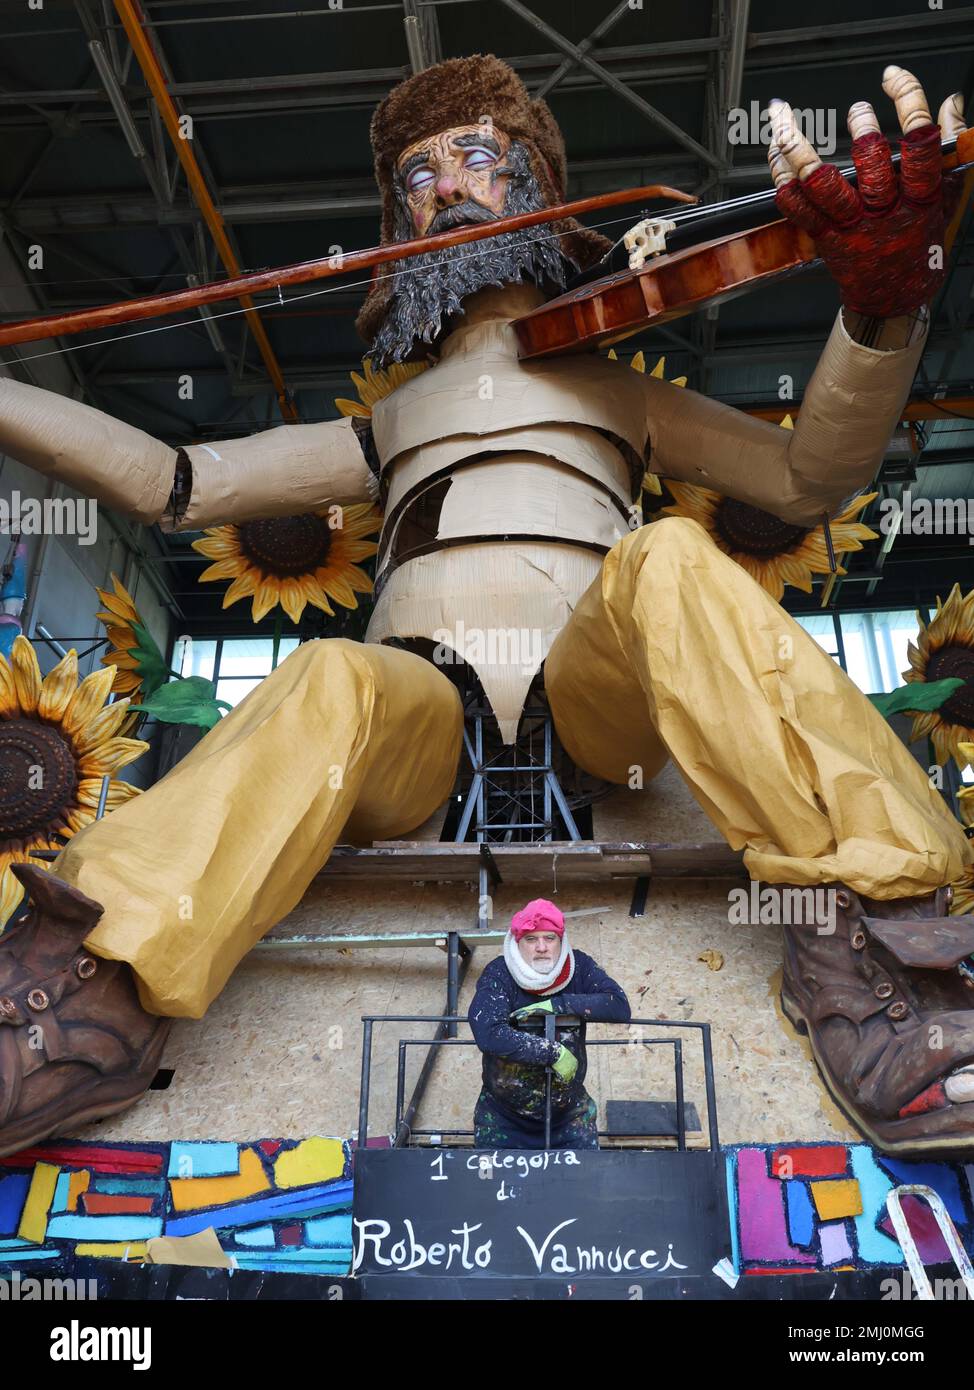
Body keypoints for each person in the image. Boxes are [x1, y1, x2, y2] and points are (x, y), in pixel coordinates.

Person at [0, 56, 973, 1157]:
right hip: (416, 714)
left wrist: (880, 311)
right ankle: (83, 992)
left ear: (537, 188)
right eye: (416, 176)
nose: (445, 188)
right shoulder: (388, 422)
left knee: (664, 557)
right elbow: (170, 484)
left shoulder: (618, 391)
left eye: (475, 156)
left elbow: (807, 481)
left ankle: (886, 944)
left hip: (590, 705)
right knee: (327, 674)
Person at [468, 898, 630, 1149]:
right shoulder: (500, 972)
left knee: (582, 1187)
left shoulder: (578, 966)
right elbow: (488, 1032)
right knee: (497, 1188)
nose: (541, 947)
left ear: (561, 940)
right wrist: (551, 1052)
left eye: (550, 938)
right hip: (503, 1119)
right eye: (531, 939)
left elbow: (619, 1005)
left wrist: (559, 1005)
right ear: (517, 942)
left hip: (570, 1117)